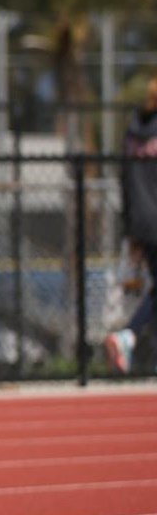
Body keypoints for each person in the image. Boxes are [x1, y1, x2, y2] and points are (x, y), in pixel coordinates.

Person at [105, 76, 157, 372]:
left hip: (140, 220)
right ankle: (129, 335)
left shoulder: (132, 133)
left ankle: (132, 338)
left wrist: (130, 228)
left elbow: (125, 181)